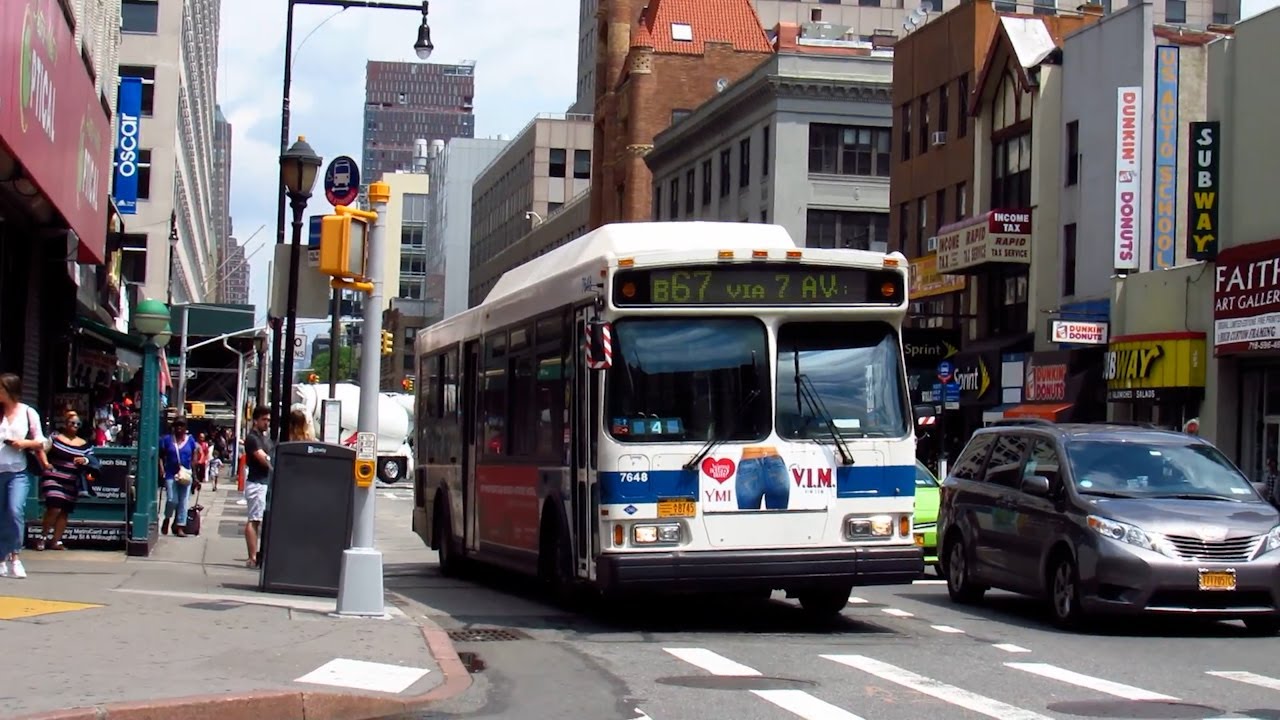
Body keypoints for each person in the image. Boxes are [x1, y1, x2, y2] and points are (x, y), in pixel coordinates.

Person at [0, 373, 49, 579]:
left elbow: (42, 442)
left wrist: (23, 444)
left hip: (17, 472)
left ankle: (15, 556)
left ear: (10, 390)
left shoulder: (28, 413)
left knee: (14, 510)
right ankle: (1, 558)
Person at [36, 409, 94, 551]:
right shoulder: (55, 437)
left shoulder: (84, 444)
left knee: (64, 511)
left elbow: (92, 460)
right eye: (72, 422)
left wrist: (85, 460)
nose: (74, 425)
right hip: (54, 477)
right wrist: (45, 464)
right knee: (55, 506)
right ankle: (43, 537)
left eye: (77, 423)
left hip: (72, 481)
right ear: (65, 423)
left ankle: (56, 541)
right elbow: (41, 449)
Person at [243, 407, 273, 568]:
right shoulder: (253, 439)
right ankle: (252, 556)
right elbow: (263, 459)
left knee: (258, 519)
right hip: (256, 482)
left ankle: (255, 555)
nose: (267, 423)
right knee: (254, 519)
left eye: (268, 420)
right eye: (264, 420)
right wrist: (272, 465)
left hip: (264, 482)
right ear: (256, 420)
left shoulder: (264, 437)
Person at [159, 417, 196, 537]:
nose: (179, 428)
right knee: (172, 499)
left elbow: (194, 457)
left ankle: (180, 526)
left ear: (186, 428)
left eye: (182, 425)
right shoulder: (167, 440)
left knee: (184, 501)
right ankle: (167, 518)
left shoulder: (190, 440)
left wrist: (195, 476)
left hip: (186, 474)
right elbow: (161, 455)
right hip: (171, 474)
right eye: (177, 425)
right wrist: (162, 469)